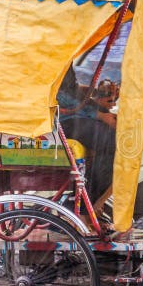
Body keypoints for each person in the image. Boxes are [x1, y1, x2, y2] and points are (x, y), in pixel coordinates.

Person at [57, 66, 119, 210]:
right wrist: (100, 115)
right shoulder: (54, 55)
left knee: (117, 139)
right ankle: (87, 206)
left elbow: (71, 89)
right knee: (111, 142)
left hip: (73, 118)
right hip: (64, 122)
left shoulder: (65, 59)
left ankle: (92, 200)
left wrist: (96, 95)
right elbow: (62, 97)